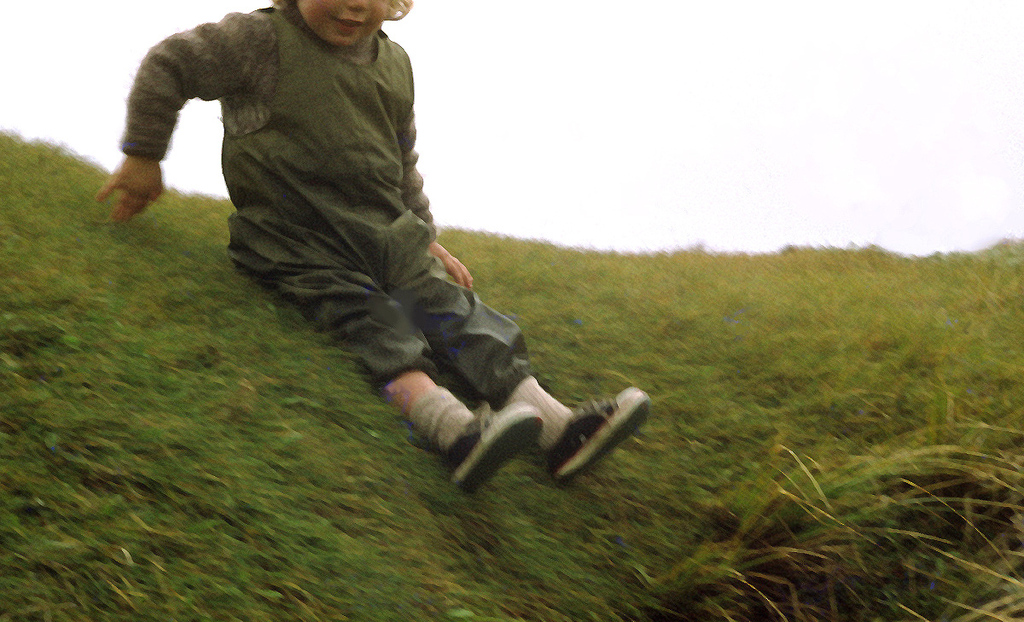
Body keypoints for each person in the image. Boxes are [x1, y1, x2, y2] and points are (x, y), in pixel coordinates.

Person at [96, 0, 650, 492]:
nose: (355, 5)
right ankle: (454, 432)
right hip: (297, 241)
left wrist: (425, 235)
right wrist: (144, 154)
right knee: (375, 324)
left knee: (461, 314)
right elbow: (170, 63)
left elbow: (399, 161)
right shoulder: (259, 40)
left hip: (386, 236)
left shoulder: (395, 64)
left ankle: (559, 429)